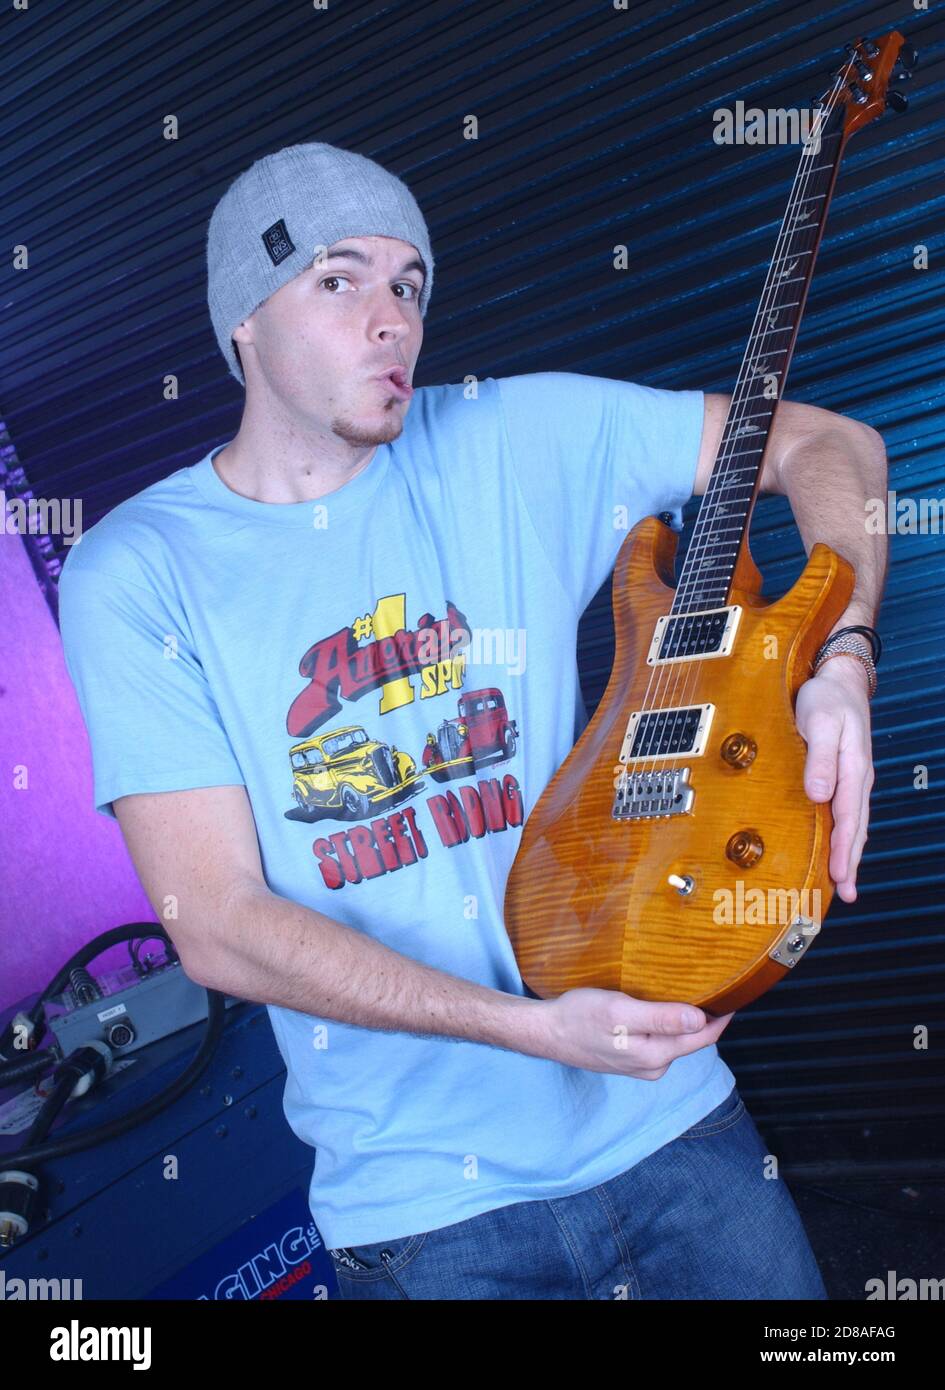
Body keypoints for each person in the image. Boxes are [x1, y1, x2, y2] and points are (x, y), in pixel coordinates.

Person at [58, 141, 885, 1300]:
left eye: (410, 283)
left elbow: (831, 442)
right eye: (340, 280)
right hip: (427, 1211)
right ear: (241, 320)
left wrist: (840, 655)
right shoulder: (136, 572)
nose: (391, 317)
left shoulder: (512, 437)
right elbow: (219, 924)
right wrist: (532, 1030)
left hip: (672, 1125)